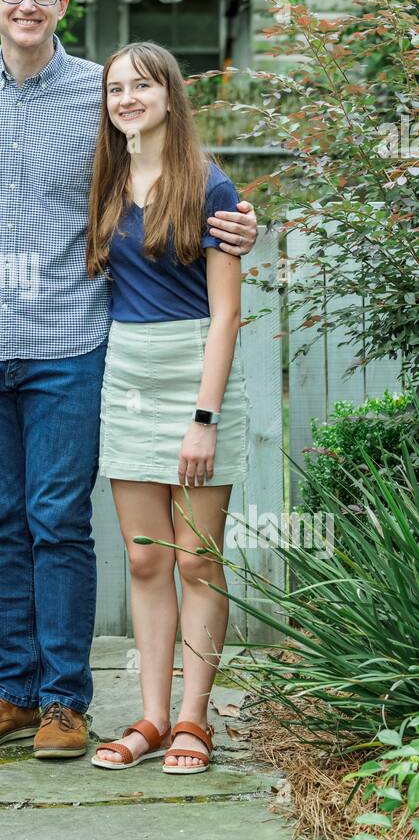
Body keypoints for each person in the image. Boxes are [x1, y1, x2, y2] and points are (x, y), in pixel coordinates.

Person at [0, 0, 259, 761]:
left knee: (59, 523)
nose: (24, 5)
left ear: (61, 3)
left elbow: (184, 175)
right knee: (2, 524)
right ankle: (11, 690)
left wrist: (238, 223)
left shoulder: (99, 91)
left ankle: (64, 703)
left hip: (74, 343)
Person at [88, 42, 248, 775]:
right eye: (115, 88)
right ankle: (151, 715)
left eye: (140, 86)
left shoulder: (210, 186)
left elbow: (224, 316)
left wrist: (202, 418)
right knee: (145, 560)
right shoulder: (104, 180)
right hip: (126, 374)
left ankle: (193, 719)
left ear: (167, 96)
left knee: (195, 562)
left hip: (194, 377)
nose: (126, 98)